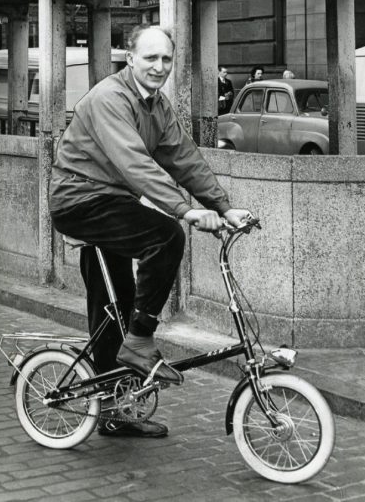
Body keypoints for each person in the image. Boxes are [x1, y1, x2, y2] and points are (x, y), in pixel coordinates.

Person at [49, 25, 250, 439]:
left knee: (114, 306)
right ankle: (140, 342)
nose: (160, 67)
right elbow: (134, 163)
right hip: (79, 200)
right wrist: (184, 212)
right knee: (166, 235)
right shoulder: (110, 98)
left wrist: (224, 207)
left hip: (111, 202)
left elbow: (184, 159)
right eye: (151, 58)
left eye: (166, 60)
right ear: (130, 58)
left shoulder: (157, 106)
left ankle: (112, 409)